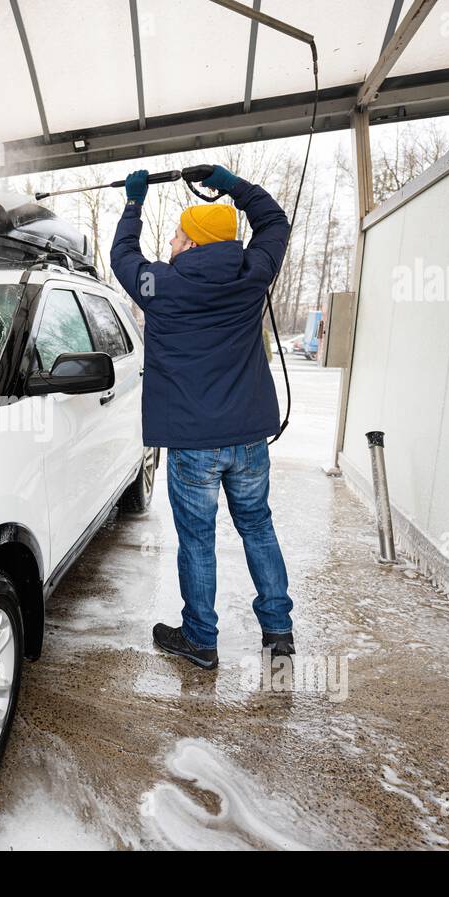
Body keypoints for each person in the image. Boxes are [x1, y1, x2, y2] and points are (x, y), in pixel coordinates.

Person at [110, 165, 295, 670]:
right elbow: (273, 221)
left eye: (176, 234)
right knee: (257, 527)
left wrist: (134, 204)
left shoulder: (162, 284)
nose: (169, 242)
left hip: (193, 444)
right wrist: (231, 185)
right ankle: (278, 634)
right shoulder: (253, 271)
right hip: (249, 439)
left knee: (198, 538)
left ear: (191, 244)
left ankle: (200, 639)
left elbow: (122, 256)